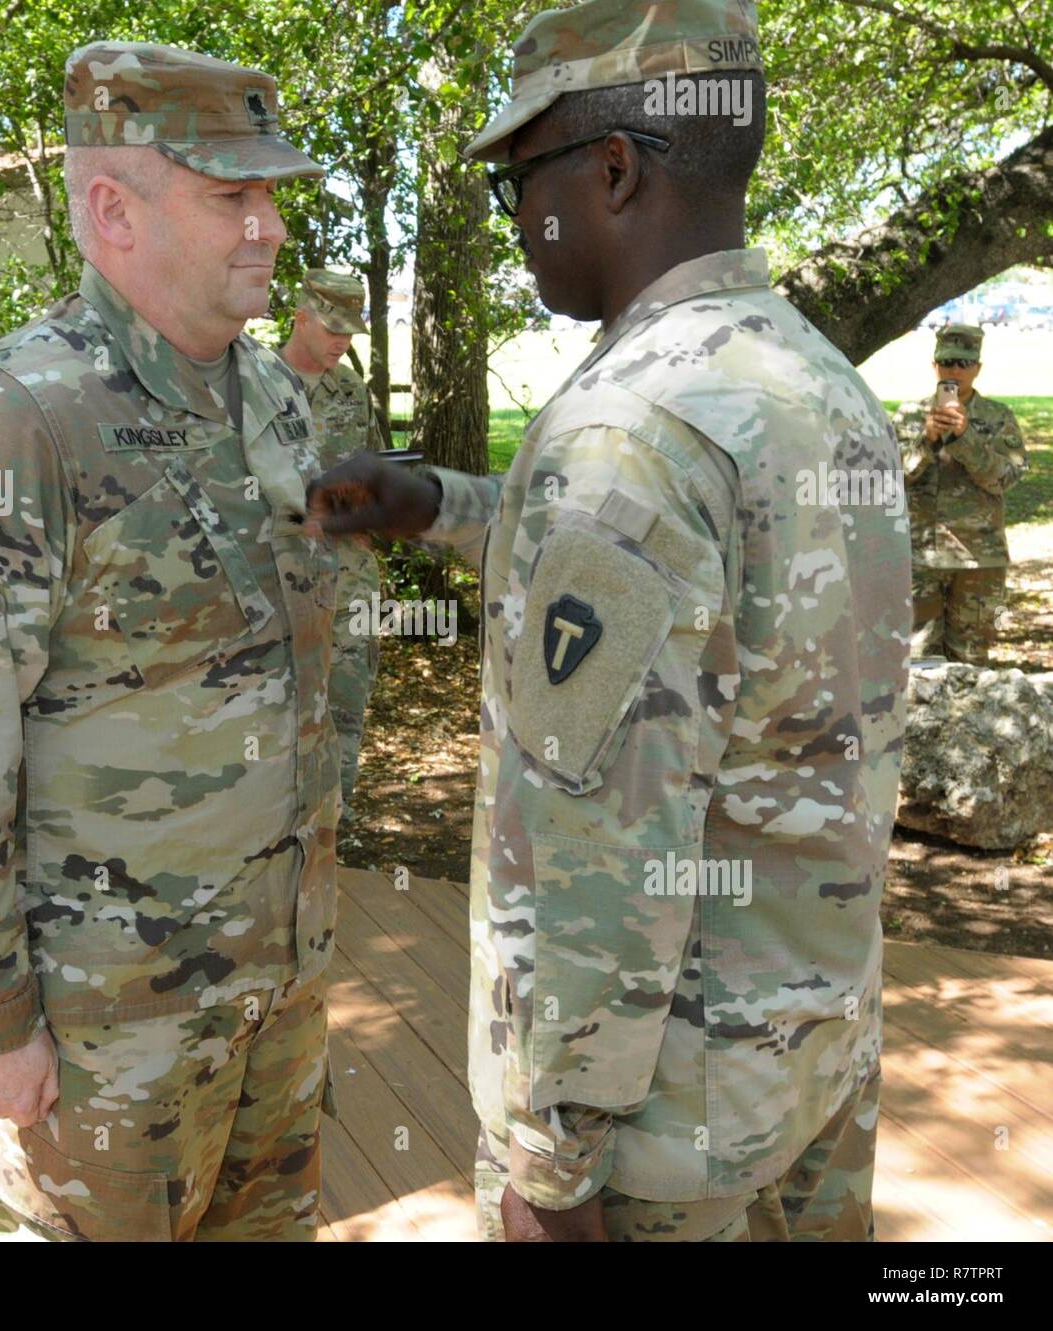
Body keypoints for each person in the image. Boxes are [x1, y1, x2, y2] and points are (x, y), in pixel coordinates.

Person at [309, 0, 911, 1242]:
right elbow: (710, 599)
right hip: (809, 1060)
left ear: (615, 170)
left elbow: (593, 853)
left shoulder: (624, 431)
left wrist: (546, 1163)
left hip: (658, 1137)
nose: (514, 223)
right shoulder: (810, 380)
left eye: (517, 183)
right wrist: (446, 506)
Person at [0, 42, 340, 1242]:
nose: (268, 225)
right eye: (233, 196)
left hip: (277, 994)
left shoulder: (272, 397)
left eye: (273, 193)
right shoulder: (15, 417)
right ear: (112, 210)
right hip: (98, 1040)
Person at [280, 270, 385, 817]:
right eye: (331, 329)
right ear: (300, 318)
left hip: (349, 577)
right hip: (279, 578)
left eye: (350, 333)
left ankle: (334, 824)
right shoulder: (257, 386)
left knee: (346, 700)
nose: (341, 343)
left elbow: (372, 465)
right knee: (281, 707)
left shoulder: (350, 390)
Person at [893, 324, 1027, 664]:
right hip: (919, 558)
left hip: (979, 560)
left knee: (972, 659)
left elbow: (1003, 479)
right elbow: (890, 479)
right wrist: (926, 441)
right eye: (948, 361)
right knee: (918, 659)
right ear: (934, 364)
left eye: (964, 363)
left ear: (977, 369)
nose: (955, 370)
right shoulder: (910, 415)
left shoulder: (998, 418)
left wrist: (965, 437)